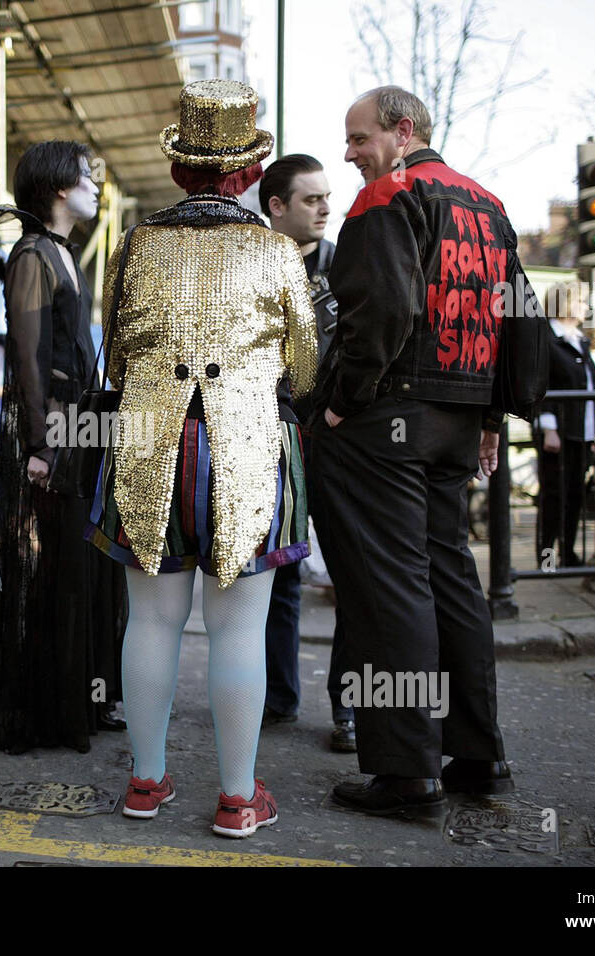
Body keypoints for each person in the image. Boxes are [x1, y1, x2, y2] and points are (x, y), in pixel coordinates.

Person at [86, 80, 319, 837]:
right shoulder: (278, 252)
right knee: (238, 630)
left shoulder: (135, 244)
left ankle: (146, 785)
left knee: (149, 622)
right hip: (246, 447)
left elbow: (114, 358)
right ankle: (237, 798)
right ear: (251, 170)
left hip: (150, 442)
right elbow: (306, 371)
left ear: (182, 164)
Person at [311, 86, 523, 819]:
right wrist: (492, 414)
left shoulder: (386, 198)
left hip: (387, 419)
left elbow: (382, 309)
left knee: (388, 587)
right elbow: (516, 318)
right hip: (456, 418)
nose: (349, 153)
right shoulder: (489, 205)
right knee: (450, 575)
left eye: (358, 136)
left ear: (403, 132)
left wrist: (343, 398)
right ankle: (477, 753)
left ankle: (407, 773)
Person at [0, 141, 129, 754]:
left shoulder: (60, 252)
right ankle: (44, 712)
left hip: (76, 428)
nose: (95, 188)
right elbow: (26, 359)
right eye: (88, 177)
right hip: (54, 432)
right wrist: (39, 443)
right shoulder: (33, 253)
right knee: (47, 569)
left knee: (78, 565)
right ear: (59, 187)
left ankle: (78, 703)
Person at [257, 153, 355, 753]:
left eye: (326, 197)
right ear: (277, 206)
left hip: (337, 440)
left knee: (351, 576)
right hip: (267, 440)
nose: (325, 208)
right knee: (278, 572)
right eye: (311, 199)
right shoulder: (251, 265)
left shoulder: (346, 266)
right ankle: (275, 698)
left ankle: (349, 711)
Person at [535, 282, 595, 569]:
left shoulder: (579, 340)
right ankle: (546, 555)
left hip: (581, 431)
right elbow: (541, 384)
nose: (586, 308)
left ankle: (569, 554)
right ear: (565, 304)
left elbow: (591, 386)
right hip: (558, 430)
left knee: (575, 492)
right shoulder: (547, 338)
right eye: (582, 301)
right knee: (554, 494)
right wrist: (549, 427)